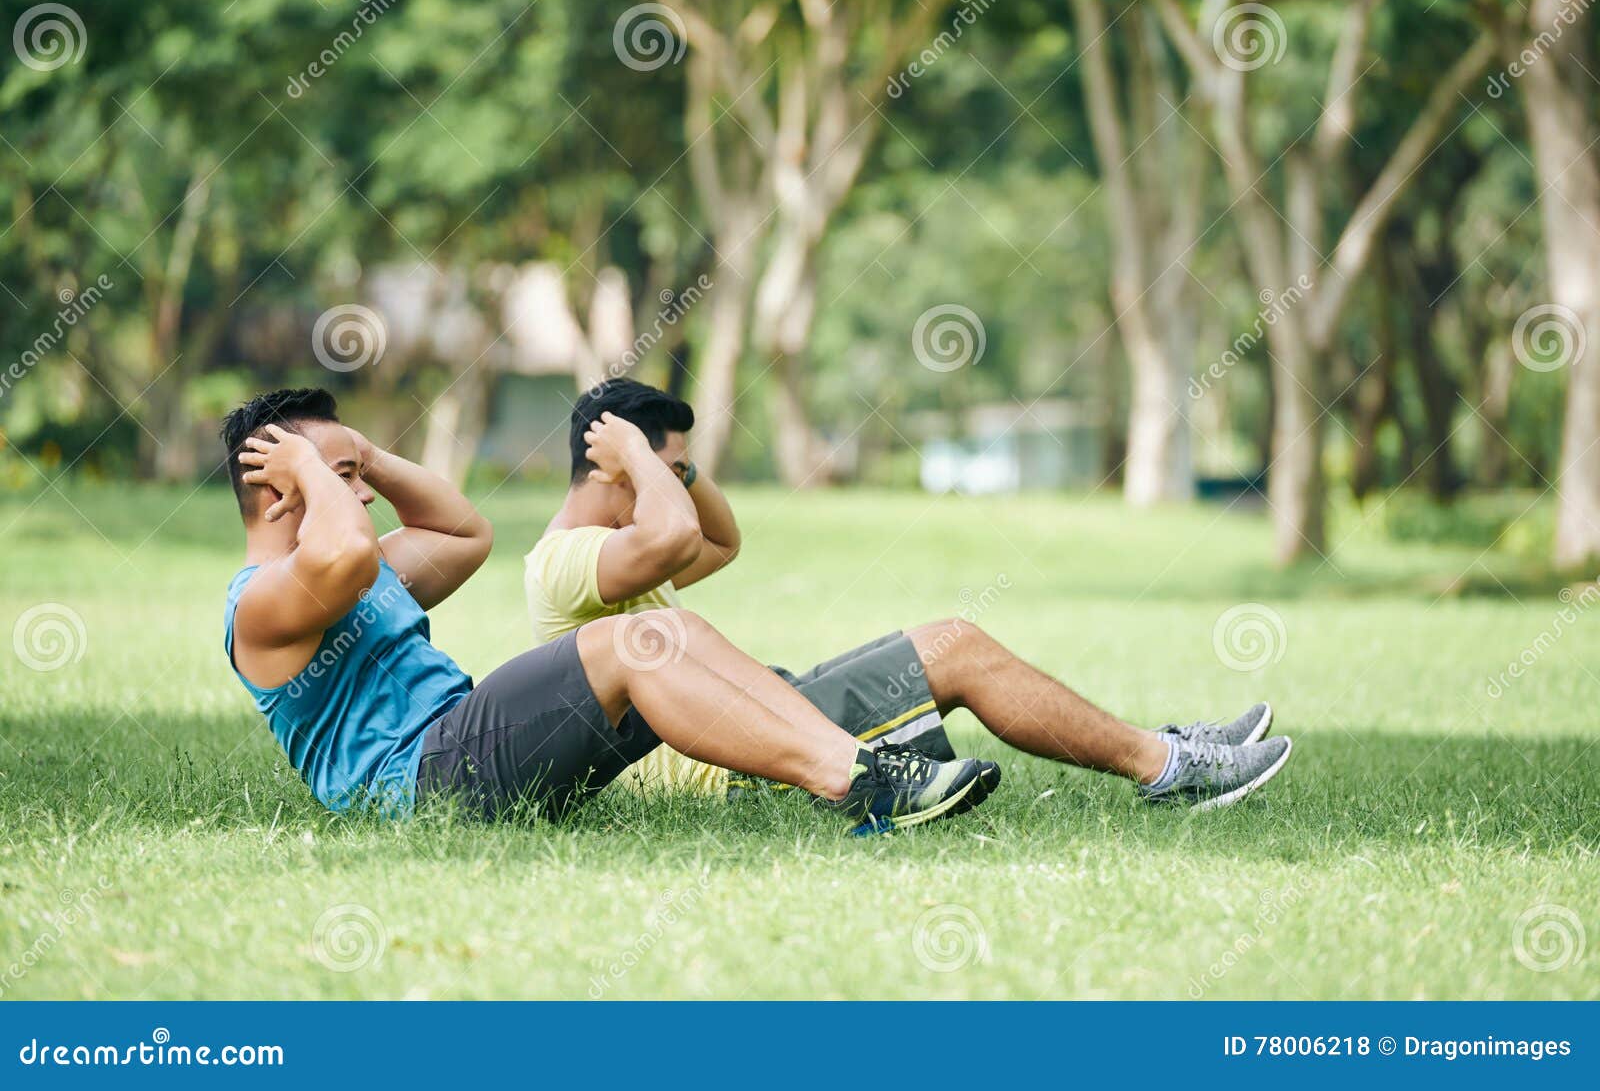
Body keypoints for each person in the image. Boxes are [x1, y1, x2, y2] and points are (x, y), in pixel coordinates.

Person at [219, 387, 999, 831]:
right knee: (635, 640)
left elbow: (461, 531)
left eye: (359, 477)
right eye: (344, 479)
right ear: (277, 488)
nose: (360, 494)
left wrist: (366, 454)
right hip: (415, 785)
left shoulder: (366, 569)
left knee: (671, 634)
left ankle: (863, 765)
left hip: (468, 754)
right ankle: (857, 785)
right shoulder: (261, 607)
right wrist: (312, 467)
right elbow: (347, 551)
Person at [526, 378, 1294, 811]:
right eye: (668, 472)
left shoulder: (625, 550)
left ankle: (1158, 747)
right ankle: (1167, 767)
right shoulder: (567, 561)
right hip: (735, 766)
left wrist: (673, 468)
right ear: (610, 471)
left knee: (952, 640)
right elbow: (675, 538)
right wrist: (633, 452)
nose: (681, 490)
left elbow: (720, 543)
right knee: (956, 646)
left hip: (762, 714)